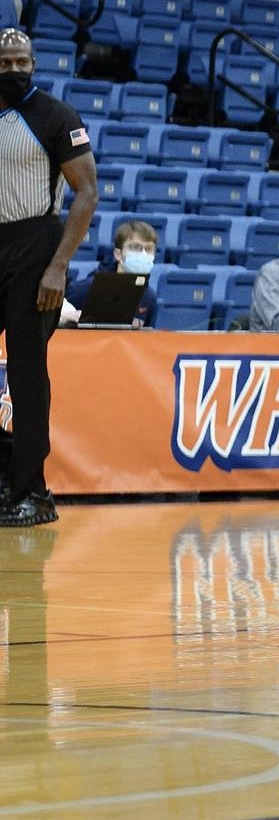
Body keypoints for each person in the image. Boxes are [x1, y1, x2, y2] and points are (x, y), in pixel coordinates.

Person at [0, 28, 98, 527]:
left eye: (22, 62)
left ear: (34, 63)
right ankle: (4, 472)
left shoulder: (57, 116)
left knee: (26, 371)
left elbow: (86, 193)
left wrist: (58, 266)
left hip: (36, 245)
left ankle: (33, 491)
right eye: (6, 62)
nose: (14, 70)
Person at [65, 218, 157, 328]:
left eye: (149, 249)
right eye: (135, 247)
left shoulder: (149, 297)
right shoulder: (86, 288)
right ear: (118, 254)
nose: (143, 254)